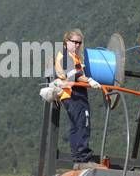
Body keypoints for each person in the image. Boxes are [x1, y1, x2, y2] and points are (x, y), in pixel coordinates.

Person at [37, 28, 102, 168]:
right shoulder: (65, 56)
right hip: (73, 94)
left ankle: (78, 158)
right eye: (75, 42)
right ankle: (82, 158)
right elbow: (75, 75)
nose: (78, 45)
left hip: (74, 94)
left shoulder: (73, 57)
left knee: (76, 125)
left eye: (80, 43)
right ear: (67, 42)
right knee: (82, 124)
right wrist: (90, 80)